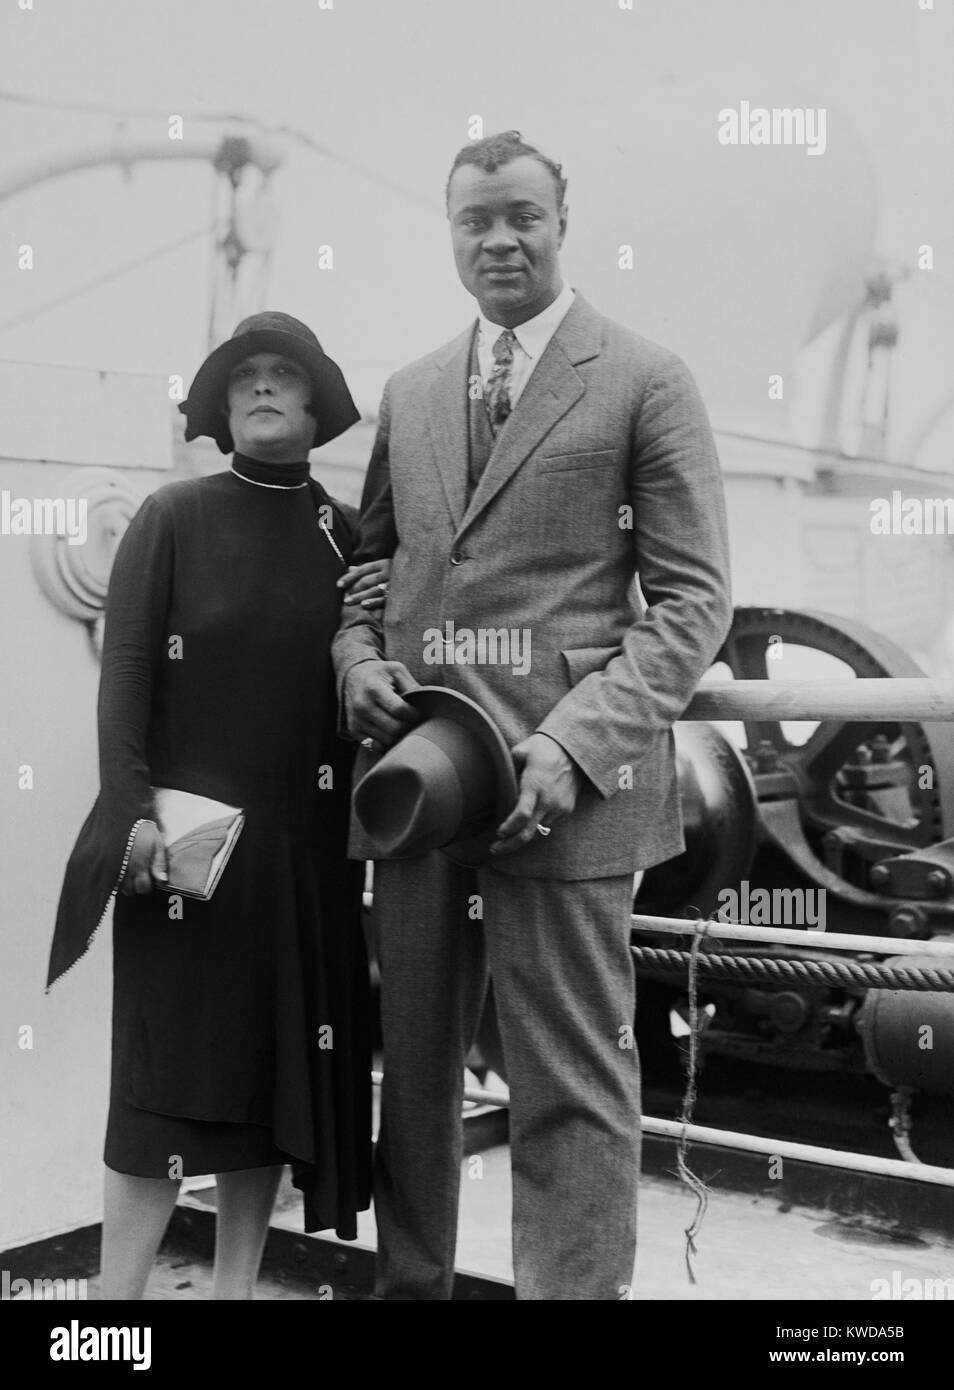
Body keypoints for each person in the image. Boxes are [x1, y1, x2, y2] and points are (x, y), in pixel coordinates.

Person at [333, 132, 733, 1301]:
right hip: (418, 793)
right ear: (449, 232)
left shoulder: (646, 377)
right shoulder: (409, 392)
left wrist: (571, 744)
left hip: (568, 801)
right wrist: (356, 661)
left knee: (570, 1086)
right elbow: (371, 573)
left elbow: (695, 600)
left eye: (522, 217)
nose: (499, 239)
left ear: (563, 223)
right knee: (413, 1082)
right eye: (475, 221)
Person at [48, 312, 388, 1300]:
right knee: (159, 1088)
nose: (267, 387)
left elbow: (368, 668)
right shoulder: (173, 517)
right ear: (221, 405)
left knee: (274, 1089)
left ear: (318, 404)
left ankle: (235, 1288)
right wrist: (133, 814)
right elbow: (122, 683)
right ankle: (120, 1300)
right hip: (188, 854)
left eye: (288, 374)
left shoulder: (344, 536)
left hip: (309, 858)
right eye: (248, 377)